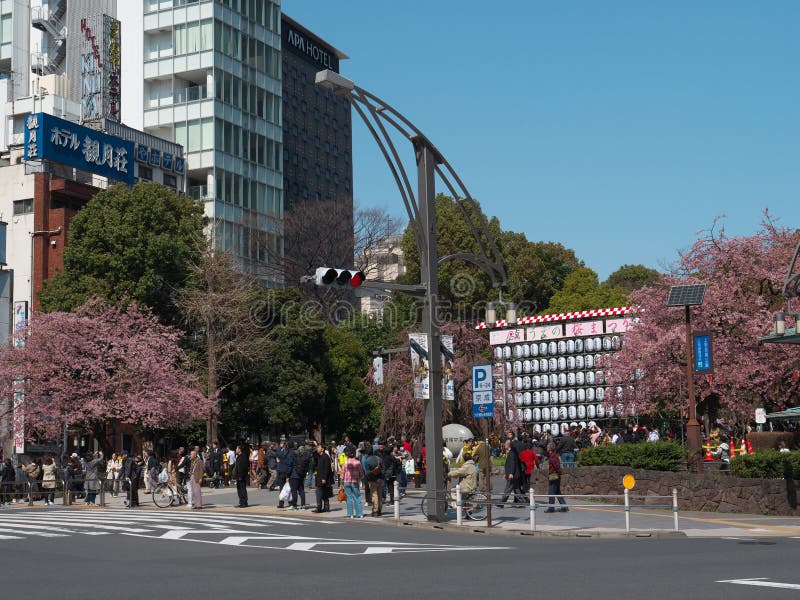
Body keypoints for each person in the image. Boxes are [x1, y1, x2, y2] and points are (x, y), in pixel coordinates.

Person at [499, 439, 525, 507]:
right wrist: (506, 473)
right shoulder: (512, 452)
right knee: (516, 489)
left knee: (508, 489)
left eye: (505, 443)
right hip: (514, 474)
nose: (504, 445)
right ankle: (522, 502)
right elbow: (509, 464)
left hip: (513, 475)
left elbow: (512, 464)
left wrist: (511, 473)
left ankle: (502, 503)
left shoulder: (512, 453)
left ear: (508, 444)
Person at [340, 447, 364, 518]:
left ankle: (350, 514)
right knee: (357, 497)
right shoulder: (358, 462)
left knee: (349, 498)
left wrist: (341, 484)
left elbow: (342, 474)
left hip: (346, 482)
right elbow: (361, 473)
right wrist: (361, 480)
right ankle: (359, 514)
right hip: (355, 481)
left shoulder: (346, 462)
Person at [545, 442, 568, 512]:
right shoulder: (553, 455)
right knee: (557, 492)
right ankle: (564, 507)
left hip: (554, 476)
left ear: (549, 448)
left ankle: (551, 508)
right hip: (556, 475)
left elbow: (557, 466)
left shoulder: (552, 456)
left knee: (551, 492)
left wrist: (558, 474)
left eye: (547, 447)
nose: (546, 448)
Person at [363, 445, 384, 517]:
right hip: (380, 479)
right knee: (380, 495)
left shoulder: (367, 461)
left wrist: (373, 479)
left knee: (374, 495)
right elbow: (383, 469)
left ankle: (375, 510)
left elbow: (367, 473)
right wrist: (381, 478)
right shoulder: (379, 459)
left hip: (372, 480)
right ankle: (380, 510)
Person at [312, 443, 333, 513]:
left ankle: (319, 507)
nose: (317, 448)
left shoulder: (325, 457)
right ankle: (326, 507)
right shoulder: (319, 456)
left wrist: (324, 478)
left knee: (319, 492)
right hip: (319, 477)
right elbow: (314, 454)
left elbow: (327, 468)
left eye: (318, 447)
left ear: (322, 449)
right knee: (324, 492)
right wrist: (315, 445)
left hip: (323, 478)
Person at [276, 441, 294, 509]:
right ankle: (290, 503)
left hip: (283, 472)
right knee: (288, 488)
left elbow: (277, 454)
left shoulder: (282, 452)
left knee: (283, 488)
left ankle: (282, 503)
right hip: (285, 472)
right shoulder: (289, 452)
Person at [233, 444, 250, 508]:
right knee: (239, 489)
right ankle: (241, 502)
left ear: (240, 449)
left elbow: (242, 467)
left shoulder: (243, 456)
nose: (236, 450)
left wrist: (240, 475)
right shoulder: (238, 456)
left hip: (241, 476)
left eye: (237, 449)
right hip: (238, 476)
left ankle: (244, 502)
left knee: (242, 489)